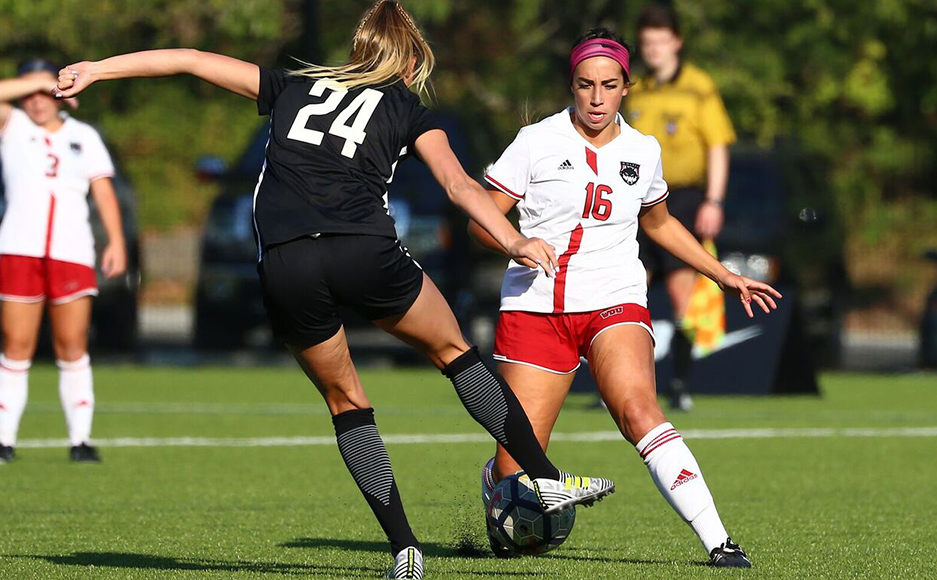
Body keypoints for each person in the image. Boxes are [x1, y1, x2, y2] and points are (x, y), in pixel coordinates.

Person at [53, 1, 613, 577]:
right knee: (455, 355)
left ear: (357, 50)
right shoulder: (407, 107)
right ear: (413, 56)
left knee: (346, 401)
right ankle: (544, 478)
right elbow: (456, 183)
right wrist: (514, 240)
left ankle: (404, 549)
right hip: (363, 248)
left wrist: (97, 67)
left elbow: (191, 60)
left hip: (287, 260)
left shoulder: (294, 85)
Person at [470, 27, 780, 568]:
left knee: (639, 409)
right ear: (571, 85)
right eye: (585, 85)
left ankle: (718, 541)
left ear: (626, 88)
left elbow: (660, 225)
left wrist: (722, 275)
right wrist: (516, 242)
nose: (595, 98)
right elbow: (481, 220)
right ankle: (501, 483)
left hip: (614, 300)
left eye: (608, 86)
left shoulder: (643, 148)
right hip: (535, 309)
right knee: (513, 472)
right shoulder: (535, 141)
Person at [0, 58, 127, 464]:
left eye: (44, 92)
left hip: (71, 250)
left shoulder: (84, 135)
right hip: (19, 247)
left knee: (71, 344)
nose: (37, 101)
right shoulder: (12, 128)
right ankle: (4, 439)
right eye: (30, 92)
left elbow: (103, 192)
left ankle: (80, 440)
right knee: (16, 345)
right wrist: (33, 82)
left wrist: (116, 242)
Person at [626, 4, 738, 411]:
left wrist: (714, 200)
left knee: (681, 297)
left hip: (685, 199)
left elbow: (718, 146)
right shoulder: (634, 87)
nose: (653, 50)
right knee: (627, 288)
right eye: (647, 42)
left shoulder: (698, 86)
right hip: (635, 199)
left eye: (660, 41)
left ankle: (678, 383)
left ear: (676, 42)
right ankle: (625, 384)